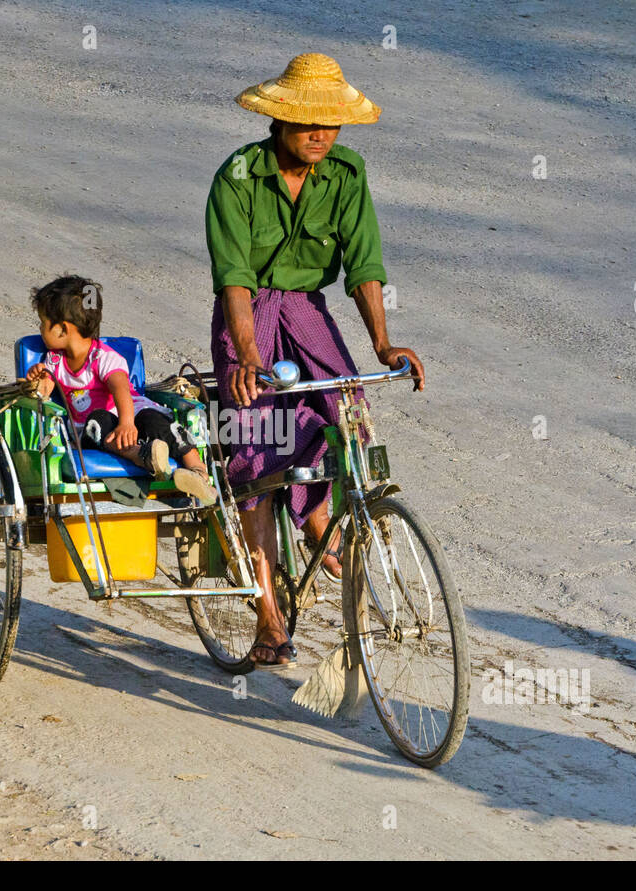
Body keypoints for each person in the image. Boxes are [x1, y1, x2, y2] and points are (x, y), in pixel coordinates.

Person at [207, 53, 424, 666]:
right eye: (307, 123)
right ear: (278, 120)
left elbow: (365, 265)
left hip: (308, 311)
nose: (320, 136)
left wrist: (384, 344)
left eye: (330, 125)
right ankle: (269, 618)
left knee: (345, 412)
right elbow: (234, 278)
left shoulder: (347, 174)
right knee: (253, 448)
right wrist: (246, 354)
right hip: (247, 315)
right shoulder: (239, 177)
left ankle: (319, 512)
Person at [22, 275, 216, 503]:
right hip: (96, 429)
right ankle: (147, 457)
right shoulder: (54, 361)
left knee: (155, 420)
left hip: (129, 416)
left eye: (43, 324)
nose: (40, 329)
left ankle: (198, 472)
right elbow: (43, 394)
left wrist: (127, 422)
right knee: (98, 421)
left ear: (63, 330)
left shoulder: (103, 357)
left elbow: (121, 389)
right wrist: (38, 381)